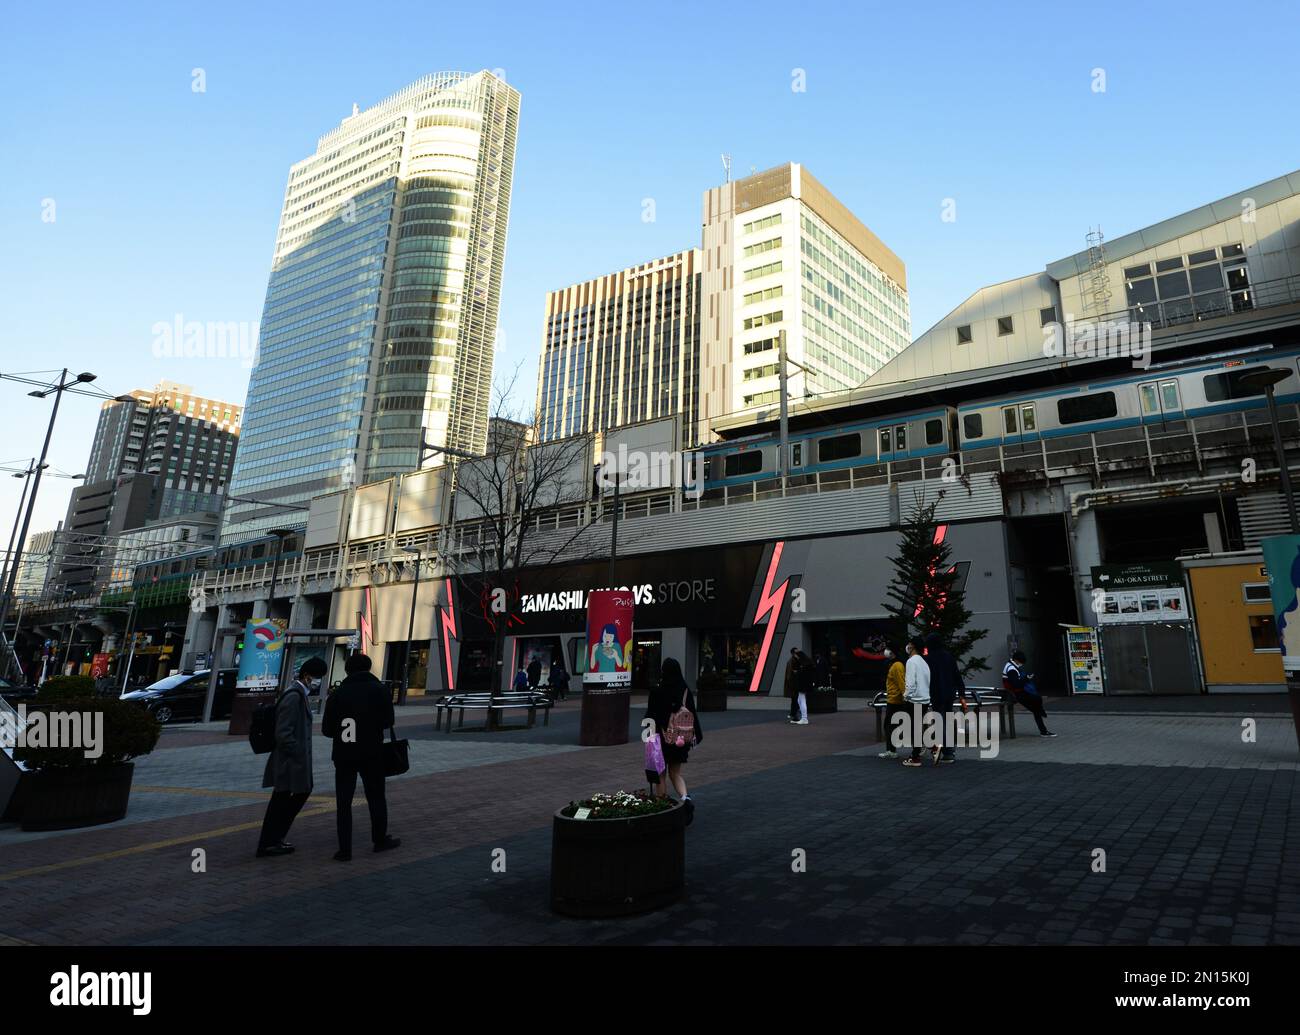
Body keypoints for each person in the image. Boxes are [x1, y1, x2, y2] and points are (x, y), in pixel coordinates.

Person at [322, 653, 400, 861]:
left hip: (344, 753)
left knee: (343, 802)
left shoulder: (337, 694)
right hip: (372, 752)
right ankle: (380, 839)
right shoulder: (380, 690)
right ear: (369, 668)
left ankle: (344, 849)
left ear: (347, 670)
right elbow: (387, 721)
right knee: (376, 796)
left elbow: (327, 730)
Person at [257, 656, 326, 857]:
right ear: (306, 675)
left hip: (292, 760)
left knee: (284, 799)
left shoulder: (298, 694)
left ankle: (273, 839)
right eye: (317, 677)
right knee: (283, 800)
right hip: (289, 761)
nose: (318, 681)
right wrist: (296, 751)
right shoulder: (294, 695)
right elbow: (283, 732)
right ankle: (270, 841)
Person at [643, 658, 702, 819]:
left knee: (660, 775)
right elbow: (692, 714)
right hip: (680, 739)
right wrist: (696, 736)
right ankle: (685, 798)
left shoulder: (657, 691)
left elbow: (651, 716)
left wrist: (648, 734)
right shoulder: (684, 689)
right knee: (675, 773)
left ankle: (662, 809)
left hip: (662, 739)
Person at [924, 633, 965, 764]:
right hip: (949, 694)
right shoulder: (948, 656)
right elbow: (957, 676)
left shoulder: (928, 658)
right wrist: (962, 694)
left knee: (939, 722)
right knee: (947, 720)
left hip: (936, 694)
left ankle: (946, 751)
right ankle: (949, 751)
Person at [1003, 650, 1056, 736]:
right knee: (1037, 703)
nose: (1021, 664)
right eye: (1021, 662)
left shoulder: (1010, 665)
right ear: (1016, 660)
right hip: (1015, 694)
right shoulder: (1011, 669)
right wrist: (1027, 678)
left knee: (1037, 703)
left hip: (1016, 692)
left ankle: (1043, 728)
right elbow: (1016, 684)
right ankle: (1043, 729)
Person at [901, 637, 931, 767]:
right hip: (925, 699)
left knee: (914, 729)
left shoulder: (911, 662)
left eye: (908, 643)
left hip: (915, 700)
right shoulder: (923, 662)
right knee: (918, 727)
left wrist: (906, 696)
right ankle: (920, 752)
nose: (907, 646)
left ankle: (915, 757)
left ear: (912, 646)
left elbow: (910, 683)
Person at [878, 643, 906, 758]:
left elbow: (901, 682)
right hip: (894, 699)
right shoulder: (893, 664)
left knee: (889, 726)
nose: (885, 651)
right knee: (891, 726)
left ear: (892, 651)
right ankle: (891, 750)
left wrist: (905, 696)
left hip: (895, 700)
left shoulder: (897, 665)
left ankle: (891, 751)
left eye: (888, 649)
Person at [783, 648, 802, 723]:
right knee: (795, 700)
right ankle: (795, 716)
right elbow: (789, 676)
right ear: (793, 653)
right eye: (796, 652)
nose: (798, 653)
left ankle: (794, 715)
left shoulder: (793, 661)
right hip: (794, 685)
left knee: (795, 700)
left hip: (794, 685)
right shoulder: (792, 661)